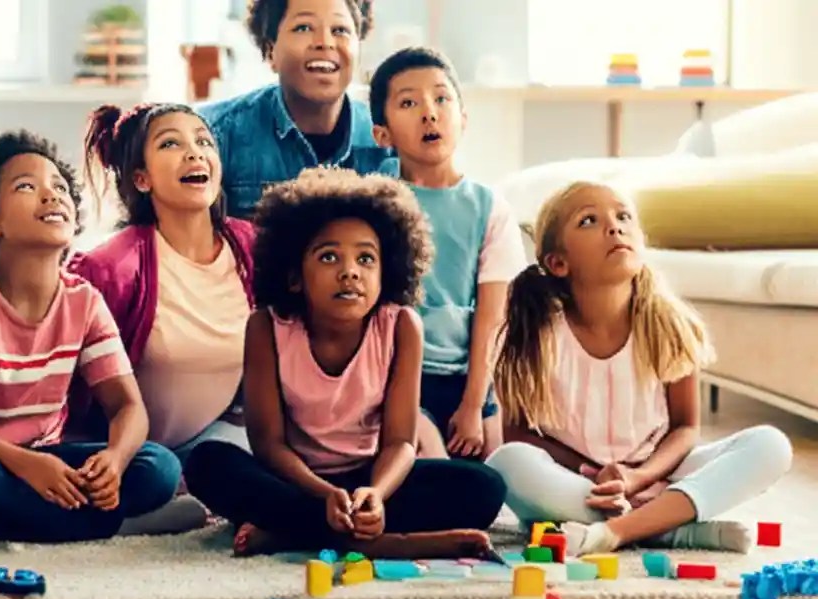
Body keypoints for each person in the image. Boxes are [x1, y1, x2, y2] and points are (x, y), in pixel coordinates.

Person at [185, 167, 506, 558]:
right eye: (329, 256)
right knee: (208, 463)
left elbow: (401, 441)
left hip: (371, 476)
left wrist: (377, 494)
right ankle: (381, 542)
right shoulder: (266, 327)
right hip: (295, 478)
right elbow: (267, 443)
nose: (350, 271)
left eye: (366, 259)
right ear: (294, 277)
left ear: (386, 272)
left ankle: (293, 534)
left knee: (485, 489)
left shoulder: (402, 325)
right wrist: (323, 495)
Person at [0, 130, 191, 549]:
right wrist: (23, 463)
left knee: (160, 467)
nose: (52, 196)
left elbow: (127, 406)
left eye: (60, 187)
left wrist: (114, 460)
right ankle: (107, 523)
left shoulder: (83, 301)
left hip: (44, 462)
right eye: (27, 187)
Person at [486, 181, 793, 555]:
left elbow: (685, 428)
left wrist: (640, 477)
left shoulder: (668, 323)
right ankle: (671, 529)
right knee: (507, 463)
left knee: (770, 446)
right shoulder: (535, 332)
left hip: (659, 474)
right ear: (558, 262)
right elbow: (517, 434)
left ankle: (616, 531)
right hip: (582, 484)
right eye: (588, 221)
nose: (614, 227)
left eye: (623, 216)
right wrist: (597, 475)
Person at [70, 102, 255, 466]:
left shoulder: (250, 246)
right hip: (124, 452)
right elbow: (69, 388)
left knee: (271, 453)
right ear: (142, 178)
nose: (194, 153)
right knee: (157, 471)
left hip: (210, 438)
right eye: (171, 144)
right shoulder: (109, 268)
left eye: (204, 142)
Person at [368, 47, 528, 459]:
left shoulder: (489, 207)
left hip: (465, 377)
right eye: (408, 102)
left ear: (463, 117)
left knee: (491, 480)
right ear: (382, 134)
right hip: (392, 375)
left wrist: (474, 404)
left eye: (442, 98)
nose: (429, 112)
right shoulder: (371, 198)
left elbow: (494, 317)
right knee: (430, 464)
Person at [198, 0, 393, 220]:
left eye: (340, 30)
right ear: (271, 51)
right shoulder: (214, 136)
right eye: (304, 28)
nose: (325, 43)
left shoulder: (390, 138)